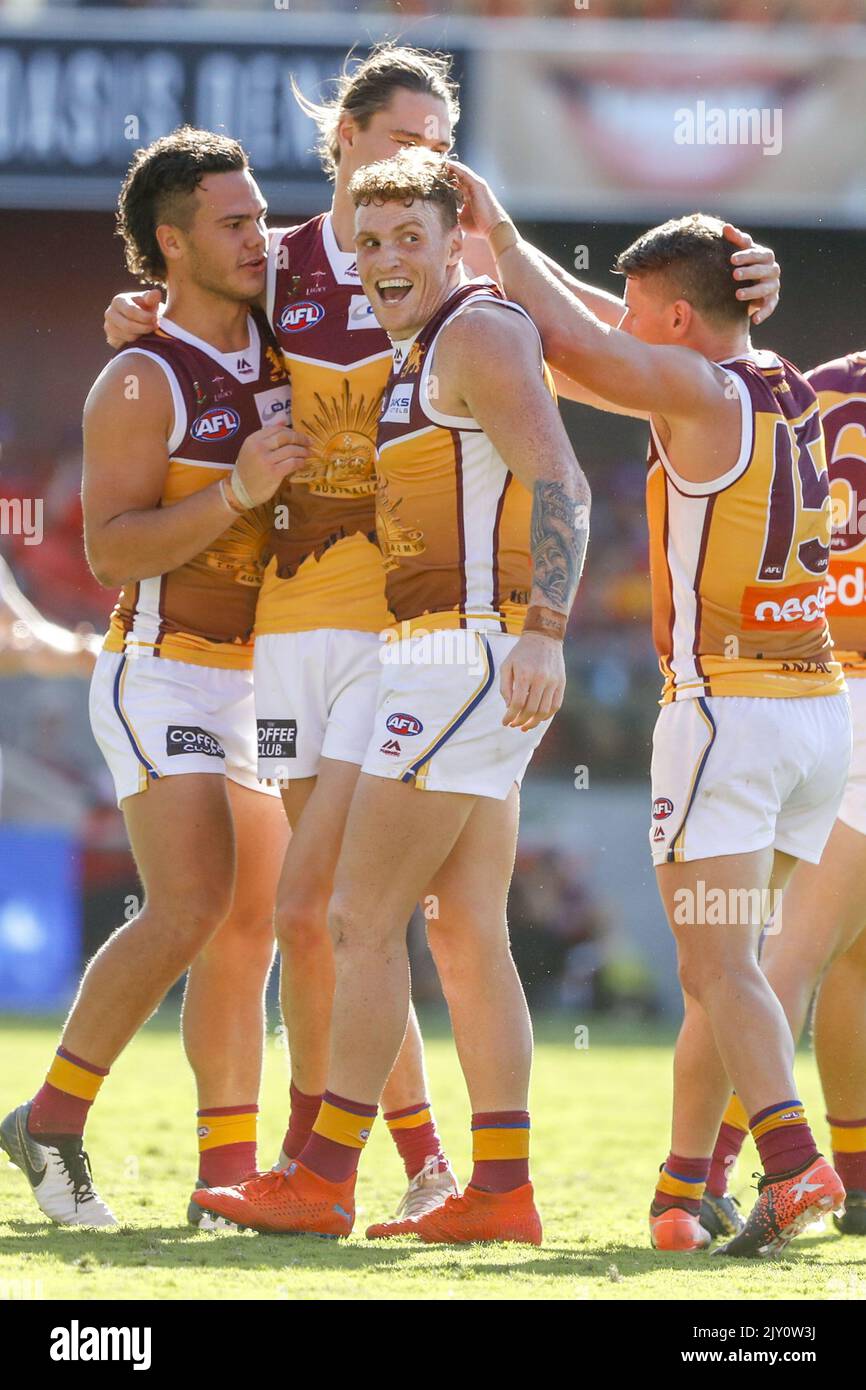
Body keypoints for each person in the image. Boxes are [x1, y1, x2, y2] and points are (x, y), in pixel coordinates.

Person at [449, 162, 852, 1257]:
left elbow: (577, 351)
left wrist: (498, 229)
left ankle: (790, 1164)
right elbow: (596, 330)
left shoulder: (698, 391)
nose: (617, 318)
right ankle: (681, 1189)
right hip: (814, 712)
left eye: (637, 306)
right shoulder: (783, 385)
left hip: (725, 715)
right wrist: (516, 258)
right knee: (725, 976)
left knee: (724, 970)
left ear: (676, 317)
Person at [189, 149, 590, 1244]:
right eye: (367, 243)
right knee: (465, 934)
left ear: (454, 235)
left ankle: (321, 1176)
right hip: (448, 656)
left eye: (409, 236)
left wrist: (544, 633)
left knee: (356, 919)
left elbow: (562, 477)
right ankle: (499, 1191)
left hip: (460, 659)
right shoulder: (425, 348)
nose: (383, 261)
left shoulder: (477, 330)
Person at [0, 127, 311, 1227]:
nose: (259, 237)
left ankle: (225, 1173)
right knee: (189, 904)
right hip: (165, 672)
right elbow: (111, 553)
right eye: (232, 223)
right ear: (169, 244)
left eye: (262, 216)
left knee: (255, 924)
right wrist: (233, 493)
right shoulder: (139, 374)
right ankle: (50, 1119)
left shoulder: (290, 342)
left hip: (266, 681)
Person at [705, 349, 866, 1240]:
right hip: (843, 696)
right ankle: (716, 1172)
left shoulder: (815, 382)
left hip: (797, 680)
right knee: (793, 951)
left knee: (844, 952)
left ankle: (853, 1168)